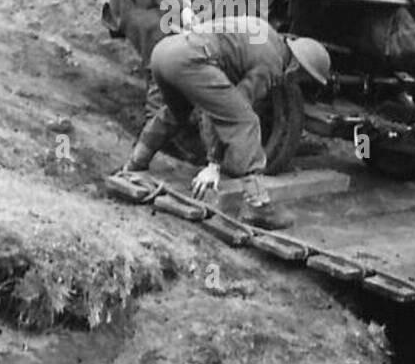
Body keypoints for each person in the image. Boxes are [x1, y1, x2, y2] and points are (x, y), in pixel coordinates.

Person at [120, 15, 331, 230]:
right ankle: (257, 204)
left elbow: (220, 101)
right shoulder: (272, 63)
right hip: (190, 60)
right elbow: (234, 113)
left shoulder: (264, 32)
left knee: (176, 112)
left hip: (165, 52)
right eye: (303, 79)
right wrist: (214, 164)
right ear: (296, 66)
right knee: (246, 121)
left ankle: (135, 164)